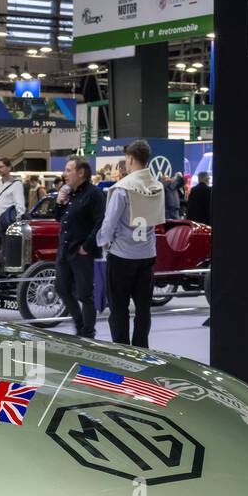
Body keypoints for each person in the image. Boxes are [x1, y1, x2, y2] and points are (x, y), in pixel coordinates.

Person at [98, 139, 165, 348]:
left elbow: (109, 224)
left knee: (119, 309)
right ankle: (141, 349)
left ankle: (122, 351)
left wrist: (104, 244)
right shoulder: (157, 186)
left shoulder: (122, 188)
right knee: (143, 309)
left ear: (129, 159)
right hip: (146, 254)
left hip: (122, 256)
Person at [51, 157, 105, 339]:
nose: (64, 174)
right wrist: (59, 202)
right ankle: (80, 324)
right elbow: (58, 218)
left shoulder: (94, 194)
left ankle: (88, 333)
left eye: (68, 170)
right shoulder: (70, 193)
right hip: (65, 250)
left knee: (85, 295)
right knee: (62, 288)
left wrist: (87, 246)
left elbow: (101, 223)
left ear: (80, 173)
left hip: (82, 252)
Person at [0, 158, 25, 249]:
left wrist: (12, 223)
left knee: (6, 255)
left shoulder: (16, 184)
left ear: (9, 168)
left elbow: (20, 207)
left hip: (6, 225)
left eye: (1, 167)